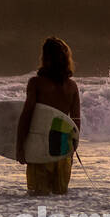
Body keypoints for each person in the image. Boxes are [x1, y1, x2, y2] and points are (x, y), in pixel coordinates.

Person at [15, 37, 81, 196]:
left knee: (37, 197)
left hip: (40, 147)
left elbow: (27, 117)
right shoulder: (72, 86)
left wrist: (20, 147)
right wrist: (72, 150)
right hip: (62, 148)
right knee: (60, 198)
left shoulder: (36, 83)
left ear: (45, 58)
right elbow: (76, 122)